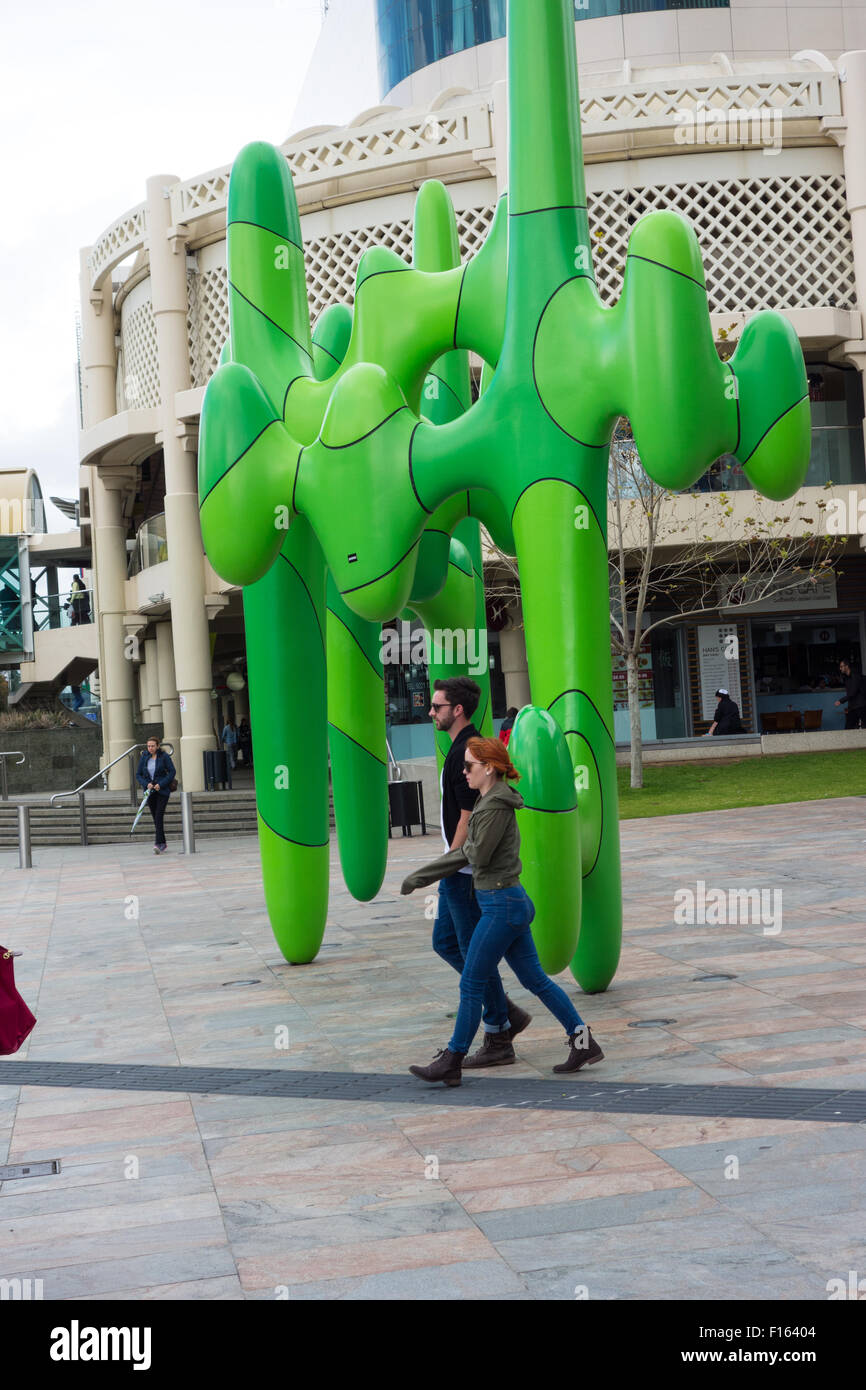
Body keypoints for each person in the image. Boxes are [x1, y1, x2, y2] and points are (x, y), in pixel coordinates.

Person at [401, 737, 603, 1086]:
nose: (463, 772)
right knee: (535, 980)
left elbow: (475, 855)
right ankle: (584, 1043)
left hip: (501, 906)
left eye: (469, 766)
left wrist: (423, 875)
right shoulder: (488, 800)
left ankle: (452, 1060)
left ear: (490, 768)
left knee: (472, 983)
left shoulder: (494, 806)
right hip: (507, 902)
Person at [428, 677, 530, 1067]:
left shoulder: (466, 752)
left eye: (437, 707)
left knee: (471, 954)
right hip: (460, 869)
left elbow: (468, 818)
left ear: (457, 710)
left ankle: (499, 1034)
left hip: (465, 873)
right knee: (446, 943)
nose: (431, 712)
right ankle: (505, 1011)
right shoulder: (458, 748)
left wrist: (449, 864)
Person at [135, 736, 176, 854]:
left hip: (162, 791)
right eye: (148, 746)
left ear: (158, 746)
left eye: (152, 746)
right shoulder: (144, 757)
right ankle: (162, 843)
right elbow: (138, 775)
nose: (150, 748)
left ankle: (158, 844)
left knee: (158, 816)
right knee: (156, 818)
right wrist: (146, 784)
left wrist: (161, 784)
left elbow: (172, 772)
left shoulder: (164, 757)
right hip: (150, 792)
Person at [835, 659, 866, 729]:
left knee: (863, 727)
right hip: (853, 707)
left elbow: (853, 692)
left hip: (861, 706)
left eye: (841, 666)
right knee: (848, 728)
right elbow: (850, 693)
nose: (840, 669)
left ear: (847, 666)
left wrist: (841, 701)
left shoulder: (855, 676)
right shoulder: (846, 678)